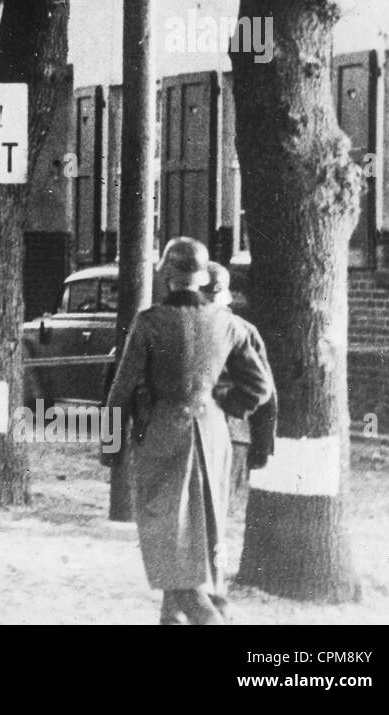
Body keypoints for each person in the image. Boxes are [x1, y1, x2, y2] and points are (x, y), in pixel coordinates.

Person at [105, 237, 273, 626]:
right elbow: (260, 386)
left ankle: (208, 616)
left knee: (165, 530)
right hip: (213, 435)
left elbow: (121, 390)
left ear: (166, 273)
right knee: (201, 528)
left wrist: (111, 448)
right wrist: (225, 405)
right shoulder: (228, 322)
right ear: (201, 276)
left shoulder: (150, 322)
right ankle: (174, 618)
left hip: (165, 432)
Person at [203, 261, 278, 503]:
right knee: (216, 512)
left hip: (217, 429)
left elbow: (264, 390)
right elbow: (266, 392)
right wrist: (263, 446)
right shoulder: (244, 329)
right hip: (235, 432)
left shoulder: (177, 327)